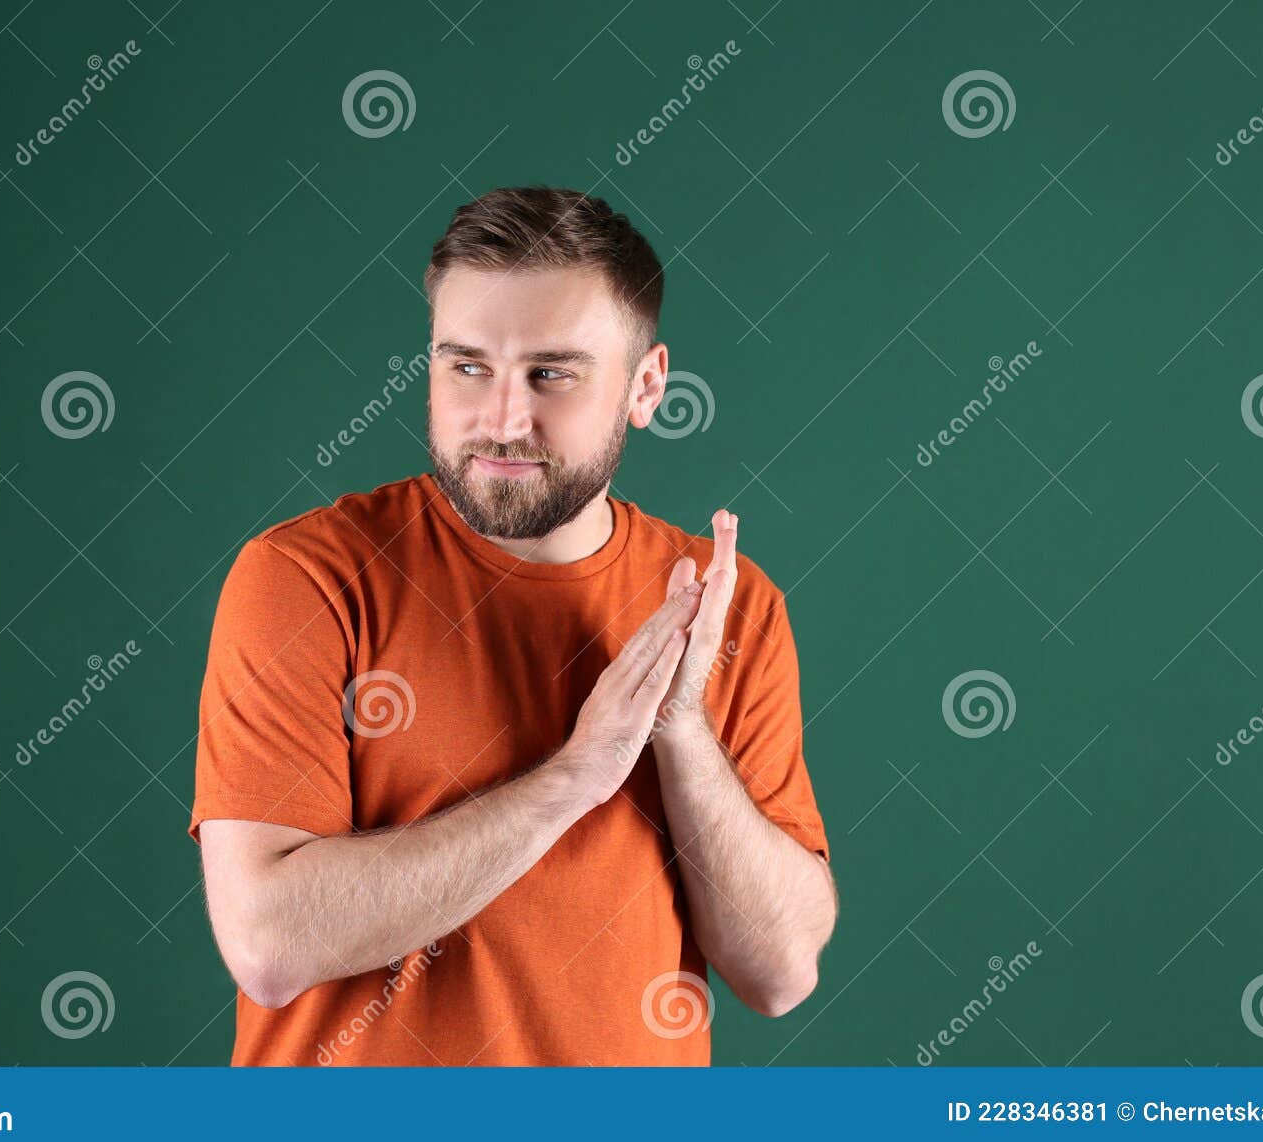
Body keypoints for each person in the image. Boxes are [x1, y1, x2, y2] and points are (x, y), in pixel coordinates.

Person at [189, 186, 836, 1065]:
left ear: (647, 387)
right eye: (465, 366)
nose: (500, 418)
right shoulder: (307, 578)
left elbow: (781, 970)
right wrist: (576, 776)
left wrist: (680, 732)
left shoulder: (727, 604)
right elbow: (269, 944)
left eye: (550, 373)